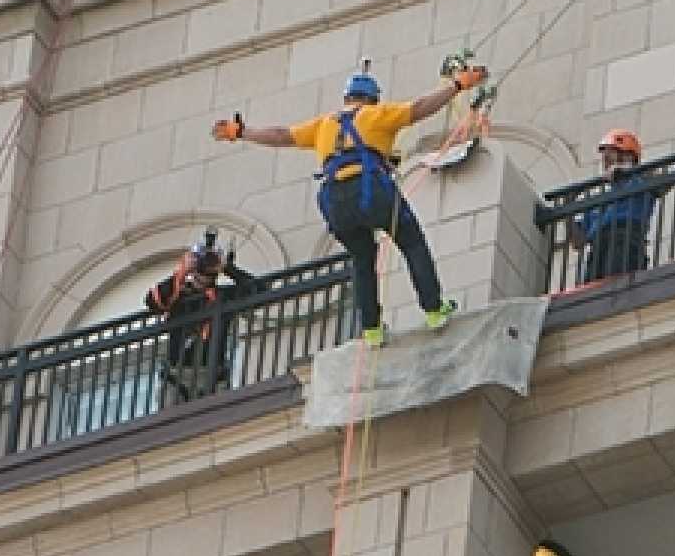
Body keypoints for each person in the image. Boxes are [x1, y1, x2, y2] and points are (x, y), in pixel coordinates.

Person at [214, 63, 488, 343]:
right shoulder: (376, 114)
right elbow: (419, 108)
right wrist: (457, 86)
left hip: (335, 201)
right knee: (411, 242)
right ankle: (433, 310)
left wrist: (242, 132)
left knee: (361, 259)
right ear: (371, 98)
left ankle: (371, 329)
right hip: (370, 190)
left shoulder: (323, 124)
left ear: (347, 98)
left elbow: (281, 135)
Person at [144, 232, 267, 404]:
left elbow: (262, 292)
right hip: (177, 376)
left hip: (213, 376)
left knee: (216, 425)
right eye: (202, 262)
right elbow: (153, 301)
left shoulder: (224, 296)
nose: (204, 271)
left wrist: (228, 268)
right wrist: (181, 272)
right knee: (172, 426)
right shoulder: (178, 295)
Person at [570, 129, 662, 284]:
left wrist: (625, 171)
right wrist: (568, 211)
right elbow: (578, 242)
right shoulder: (598, 201)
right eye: (605, 157)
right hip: (598, 246)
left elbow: (662, 183)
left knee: (617, 285)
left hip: (624, 238)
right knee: (592, 292)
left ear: (627, 156)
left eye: (610, 154)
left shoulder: (639, 181)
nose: (605, 161)